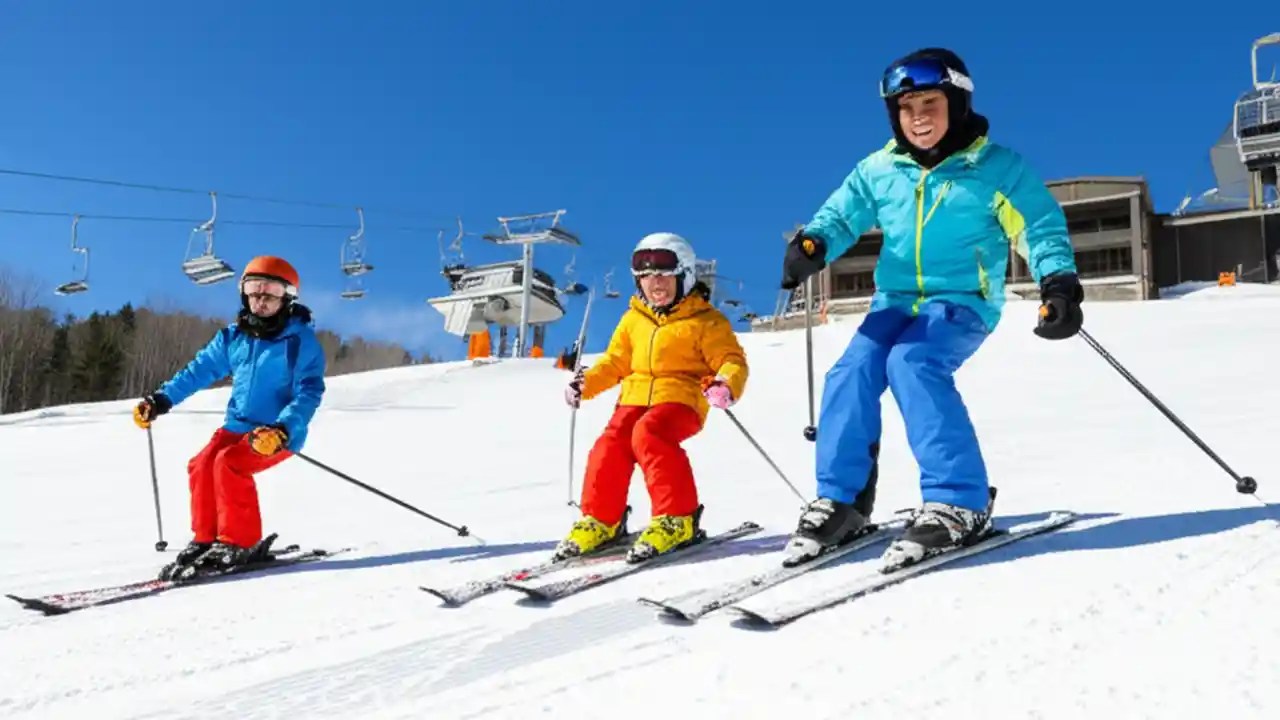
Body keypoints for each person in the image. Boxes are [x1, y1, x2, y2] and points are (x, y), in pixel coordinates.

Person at [779, 48, 1083, 570]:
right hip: (894, 300)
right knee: (850, 372)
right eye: (905, 107)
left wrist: (1057, 283)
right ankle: (842, 500)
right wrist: (813, 245)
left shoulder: (996, 170)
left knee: (912, 364)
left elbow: (1036, 228)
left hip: (962, 301)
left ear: (957, 102)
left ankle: (958, 502)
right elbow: (840, 214)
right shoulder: (880, 169)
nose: (917, 117)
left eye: (930, 103)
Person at [558, 232, 749, 563]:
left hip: (680, 400)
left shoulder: (706, 321)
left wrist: (726, 384)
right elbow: (615, 362)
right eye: (645, 277)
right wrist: (584, 384)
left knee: (650, 433)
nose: (654, 283)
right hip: (633, 399)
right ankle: (602, 520)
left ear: (686, 276)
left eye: (663, 275)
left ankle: (678, 518)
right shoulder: (634, 320)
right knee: (611, 443)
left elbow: (731, 360)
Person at [132, 256, 327, 577]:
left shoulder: (300, 341)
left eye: (271, 292)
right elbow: (199, 371)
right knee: (202, 464)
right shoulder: (234, 337)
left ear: (287, 297)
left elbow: (308, 392)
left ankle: (240, 541)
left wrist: (283, 429)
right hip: (236, 427)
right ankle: (206, 538)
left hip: (273, 434)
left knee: (230, 464)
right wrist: (161, 400)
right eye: (254, 290)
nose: (261, 300)